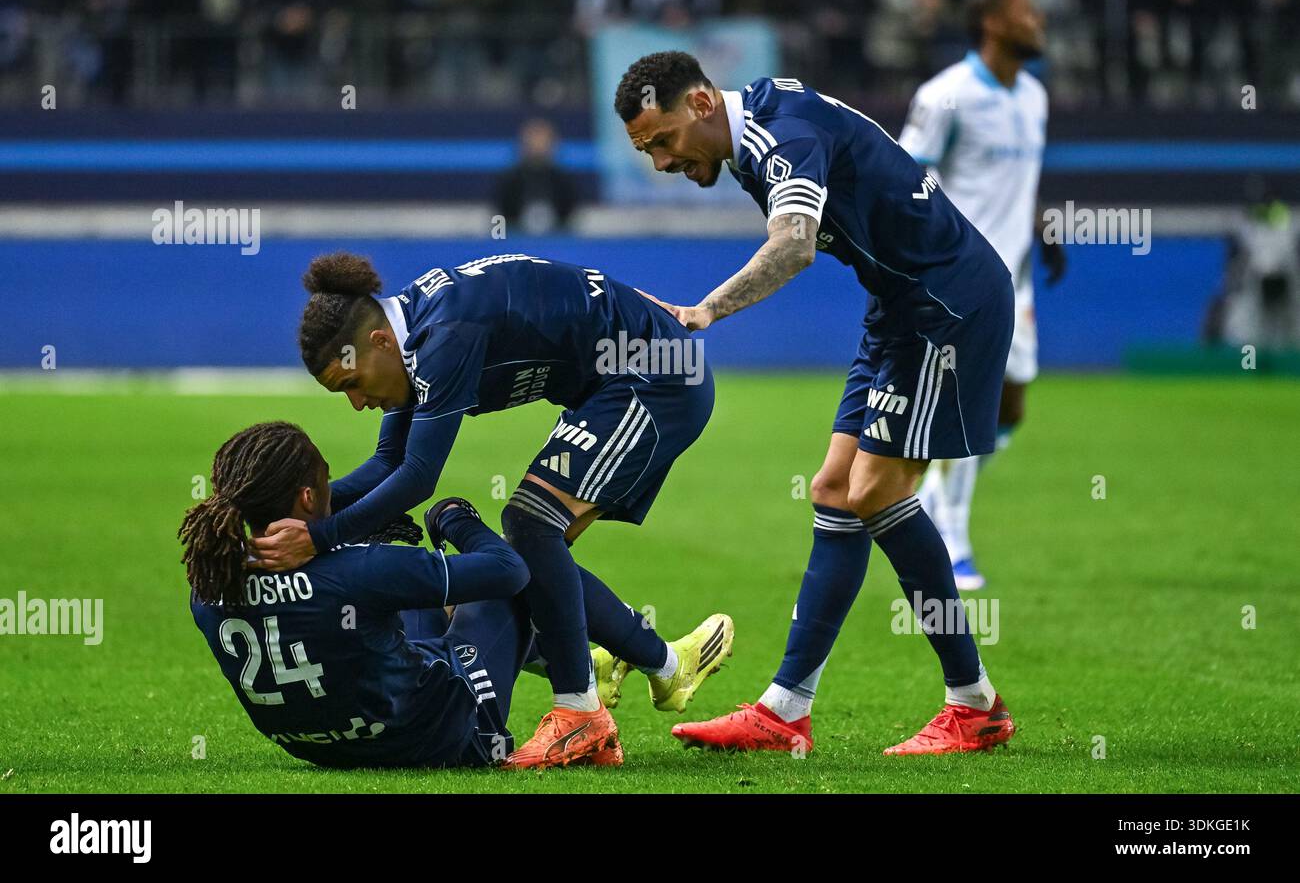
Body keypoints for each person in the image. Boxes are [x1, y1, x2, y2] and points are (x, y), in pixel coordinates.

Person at [614, 50, 1016, 756]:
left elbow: (795, 246)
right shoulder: (747, 137)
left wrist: (705, 311)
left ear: (703, 105)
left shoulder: (779, 133)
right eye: (647, 150)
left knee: (873, 490)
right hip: (896, 306)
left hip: (945, 306)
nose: (660, 162)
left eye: (663, 141)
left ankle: (971, 704)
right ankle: (785, 712)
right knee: (837, 489)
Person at [247, 253, 732, 769]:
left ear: (378, 343)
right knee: (534, 549)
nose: (358, 403)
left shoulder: (445, 336)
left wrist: (319, 540)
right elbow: (388, 462)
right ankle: (660, 664)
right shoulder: (412, 335)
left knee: (530, 525)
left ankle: (582, 713)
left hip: (656, 378)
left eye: (352, 383)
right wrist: (284, 515)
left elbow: (417, 478)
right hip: (611, 383)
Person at [184, 421, 554, 767]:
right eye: (327, 479)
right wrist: (453, 517)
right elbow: (507, 570)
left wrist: (350, 535)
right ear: (309, 497)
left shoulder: (209, 582)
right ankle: (577, 678)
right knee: (516, 563)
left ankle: (561, 653)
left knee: (395, 600)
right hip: (444, 738)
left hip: (317, 748)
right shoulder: (359, 570)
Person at [898, 0, 1061, 590]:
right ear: (992, 22)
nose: (1038, 20)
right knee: (978, 400)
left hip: (1014, 279)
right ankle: (953, 538)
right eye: (1026, 11)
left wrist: (1042, 228)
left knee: (1010, 405)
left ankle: (939, 491)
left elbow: (1020, 180)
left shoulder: (1035, 96)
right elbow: (905, 171)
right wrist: (931, 251)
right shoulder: (948, 95)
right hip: (962, 278)